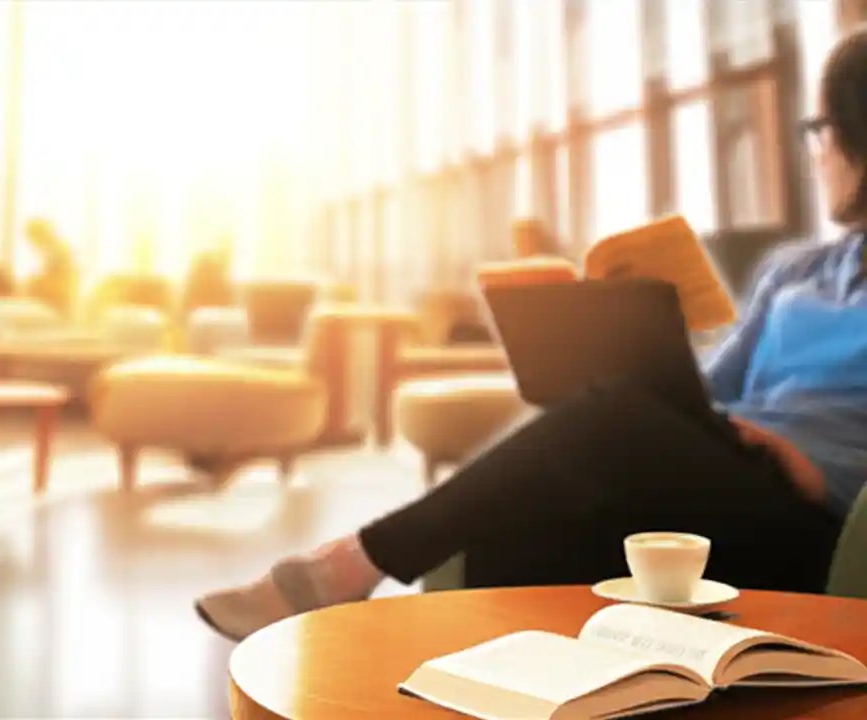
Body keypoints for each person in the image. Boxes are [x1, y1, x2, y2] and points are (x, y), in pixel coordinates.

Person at [195, 27, 867, 642]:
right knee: (545, 502)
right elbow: (713, 394)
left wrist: (808, 464)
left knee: (614, 420)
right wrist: (645, 350)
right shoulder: (795, 272)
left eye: (822, 130)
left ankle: (346, 567)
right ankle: (481, 682)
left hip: (816, 515)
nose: (818, 152)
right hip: (723, 477)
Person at [24, 218, 77, 316]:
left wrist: (34, 284)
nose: (33, 244)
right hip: (54, 303)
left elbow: (61, 286)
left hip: (58, 305)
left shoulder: (58, 251)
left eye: (33, 237)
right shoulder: (55, 250)